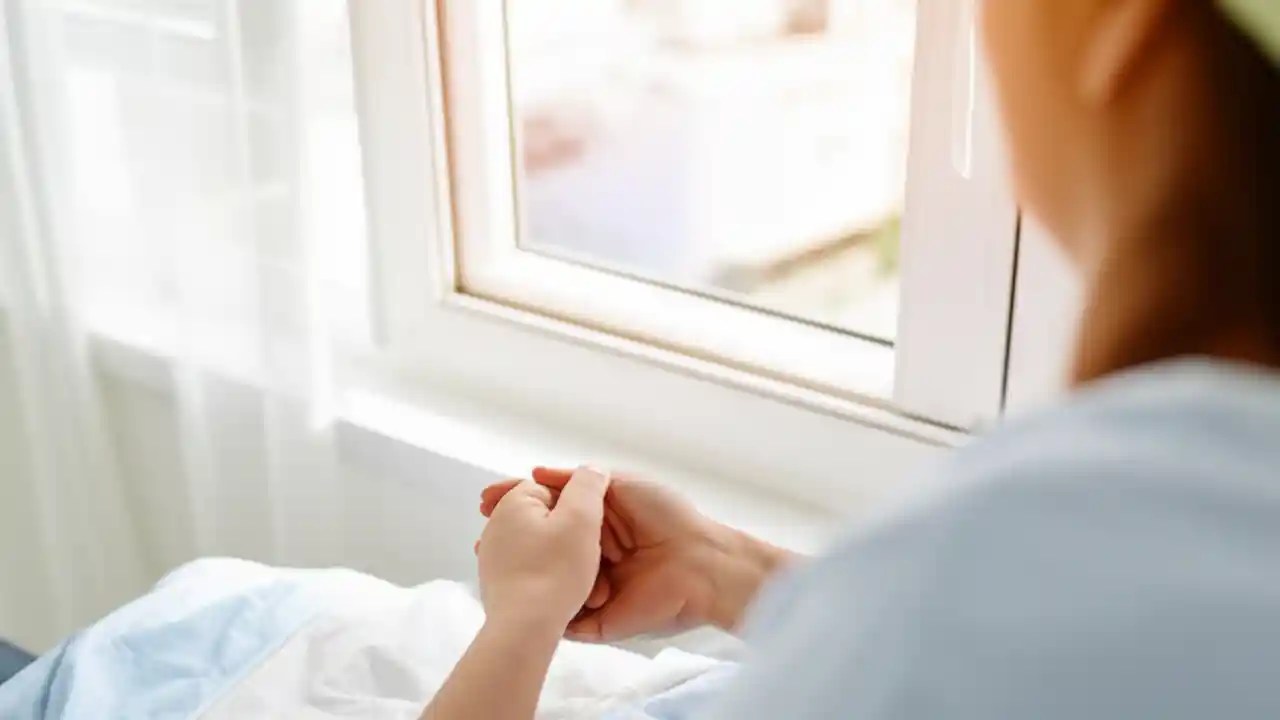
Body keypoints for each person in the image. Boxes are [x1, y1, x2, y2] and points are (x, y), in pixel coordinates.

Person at [422, 0, 1280, 718]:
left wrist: (522, 619)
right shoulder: (1168, 543)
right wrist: (733, 572)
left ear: (1123, 32)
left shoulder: (1017, 544)